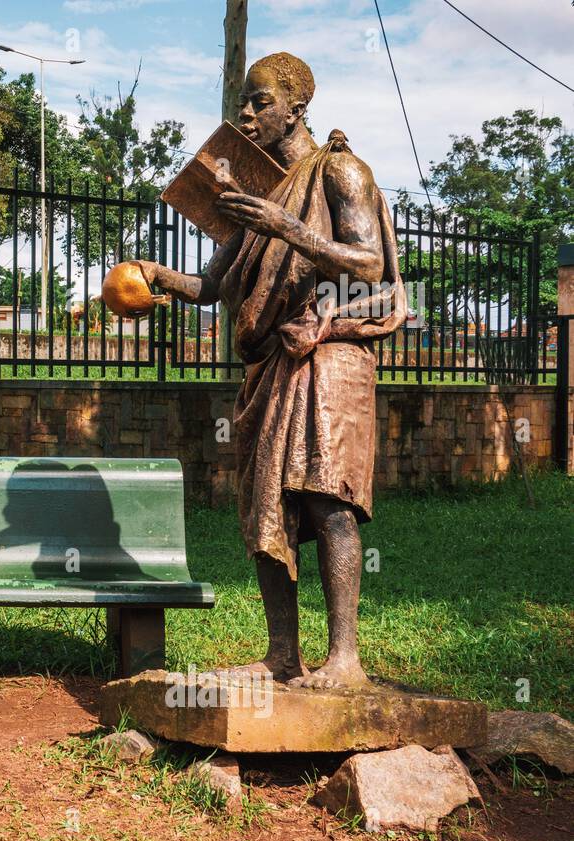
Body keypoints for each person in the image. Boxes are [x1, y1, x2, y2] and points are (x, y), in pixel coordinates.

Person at [128, 52, 405, 689]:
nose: (246, 114)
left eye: (259, 102)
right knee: (266, 506)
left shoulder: (340, 171)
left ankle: (345, 660)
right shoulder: (259, 189)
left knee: (328, 493)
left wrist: (288, 227)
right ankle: (283, 653)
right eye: (243, 103)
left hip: (330, 347)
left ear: (295, 106)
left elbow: (369, 266)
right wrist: (155, 277)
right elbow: (214, 284)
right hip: (273, 359)